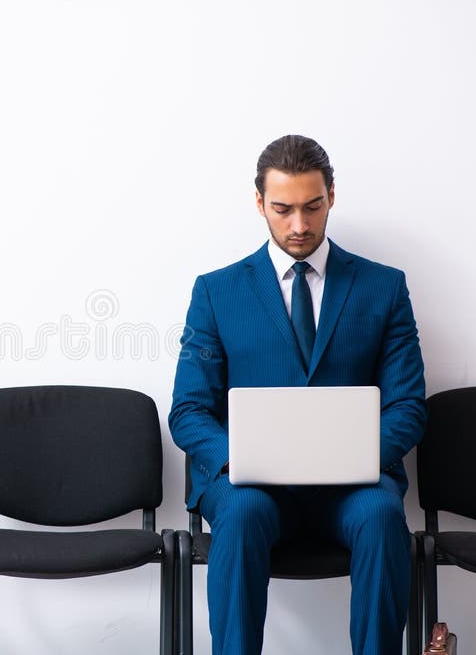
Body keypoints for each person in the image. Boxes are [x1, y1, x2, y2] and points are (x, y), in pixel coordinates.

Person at [168, 135, 426, 655]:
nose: (299, 226)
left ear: (332, 195)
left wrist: (352, 457)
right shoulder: (216, 292)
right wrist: (237, 460)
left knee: (381, 516)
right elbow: (189, 410)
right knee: (240, 514)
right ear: (259, 203)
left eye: (312, 207)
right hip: (251, 487)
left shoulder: (383, 287)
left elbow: (407, 406)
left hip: (351, 488)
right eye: (283, 209)